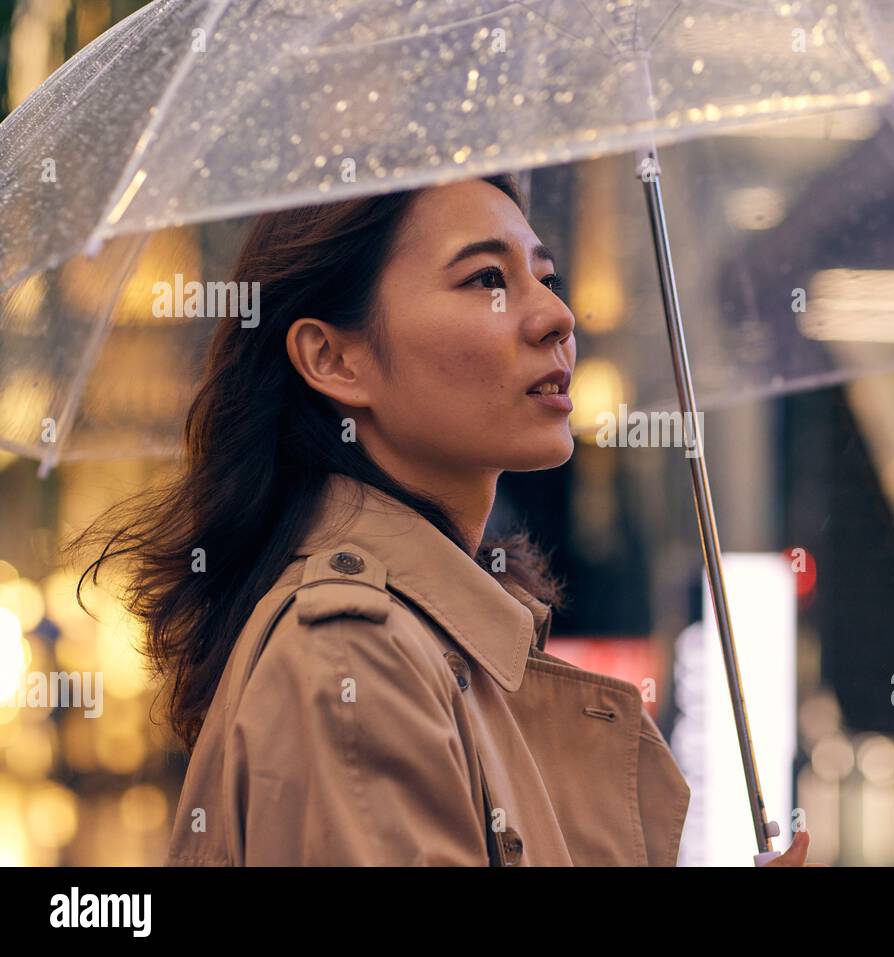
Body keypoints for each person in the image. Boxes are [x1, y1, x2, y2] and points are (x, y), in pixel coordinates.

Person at [72, 173, 815, 866]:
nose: (557, 316)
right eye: (488, 279)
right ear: (333, 358)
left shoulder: (427, 644)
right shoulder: (352, 660)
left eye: (546, 278)